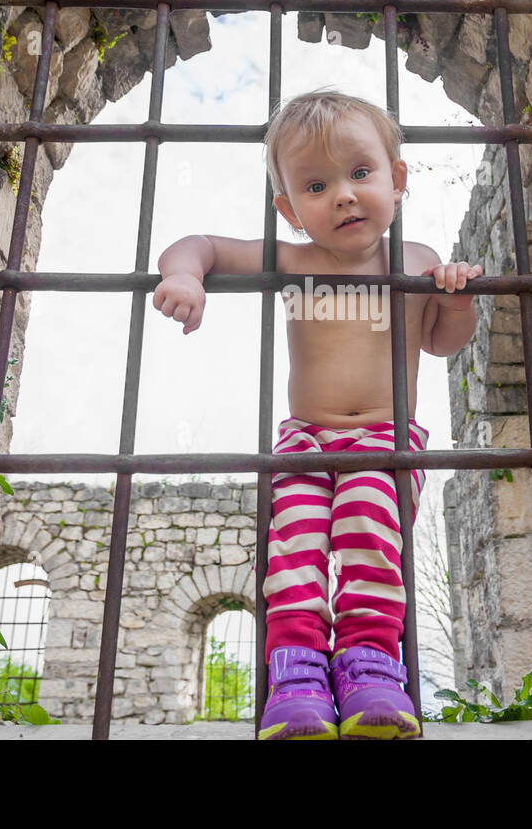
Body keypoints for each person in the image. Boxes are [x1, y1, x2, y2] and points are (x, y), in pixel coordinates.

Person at [152, 88, 481, 739]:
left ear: (398, 179)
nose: (345, 195)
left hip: (387, 442)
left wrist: (457, 298)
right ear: (290, 209)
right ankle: (296, 678)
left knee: (368, 538)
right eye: (316, 184)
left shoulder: (416, 263)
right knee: (293, 553)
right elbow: (201, 244)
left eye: (361, 173)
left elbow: (442, 342)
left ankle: (371, 670)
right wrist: (186, 276)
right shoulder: (293, 260)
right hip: (305, 442)